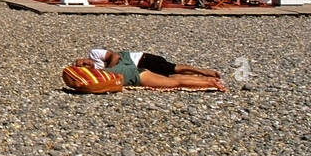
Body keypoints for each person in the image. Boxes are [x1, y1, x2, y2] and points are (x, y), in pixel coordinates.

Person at [75, 48, 227, 91]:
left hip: (140, 60)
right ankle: (205, 79)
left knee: (173, 71)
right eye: (82, 66)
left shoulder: (95, 56)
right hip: (135, 69)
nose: (85, 64)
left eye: (83, 62)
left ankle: (206, 76)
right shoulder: (97, 73)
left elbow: (114, 56)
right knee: (172, 76)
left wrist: (112, 70)